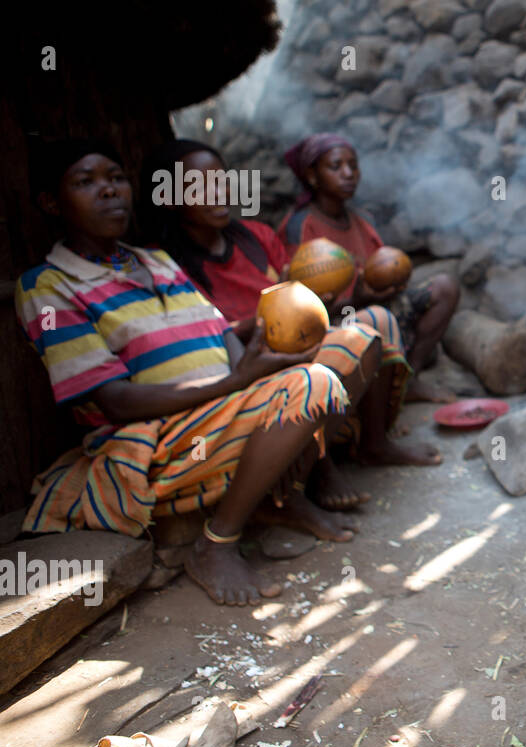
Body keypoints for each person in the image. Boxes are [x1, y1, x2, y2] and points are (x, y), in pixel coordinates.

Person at [15, 139, 369, 605]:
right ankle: (216, 543)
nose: (108, 191)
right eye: (85, 182)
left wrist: (259, 367)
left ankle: (280, 494)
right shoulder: (46, 286)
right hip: (157, 439)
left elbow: (222, 335)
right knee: (312, 383)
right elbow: (115, 402)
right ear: (50, 203)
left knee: (354, 342)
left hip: (222, 407)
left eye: (115, 178)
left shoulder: (157, 261)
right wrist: (240, 382)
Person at [138, 139, 440, 500]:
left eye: (221, 179)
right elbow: (205, 340)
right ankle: (311, 475)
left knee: (377, 319)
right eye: (197, 185)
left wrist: (321, 298)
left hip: (300, 338)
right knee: (312, 361)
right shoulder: (164, 266)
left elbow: (296, 289)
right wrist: (264, 321)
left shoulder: (257, 236)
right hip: (243, 364)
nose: (216, 192)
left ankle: (373, 444)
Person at [278, 133, 460, 403]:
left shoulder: (362, 219)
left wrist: (393, 284)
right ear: (313, 176)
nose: (349, 173)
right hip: (333, 322)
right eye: (336, 166)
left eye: (353, 165)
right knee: (375, 317)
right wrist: (356, 301)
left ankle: (408, 380)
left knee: (445, 287)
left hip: (375, 307)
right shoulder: (300, 227)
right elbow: (299, 312)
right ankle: (378, 406)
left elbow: (382, 267)